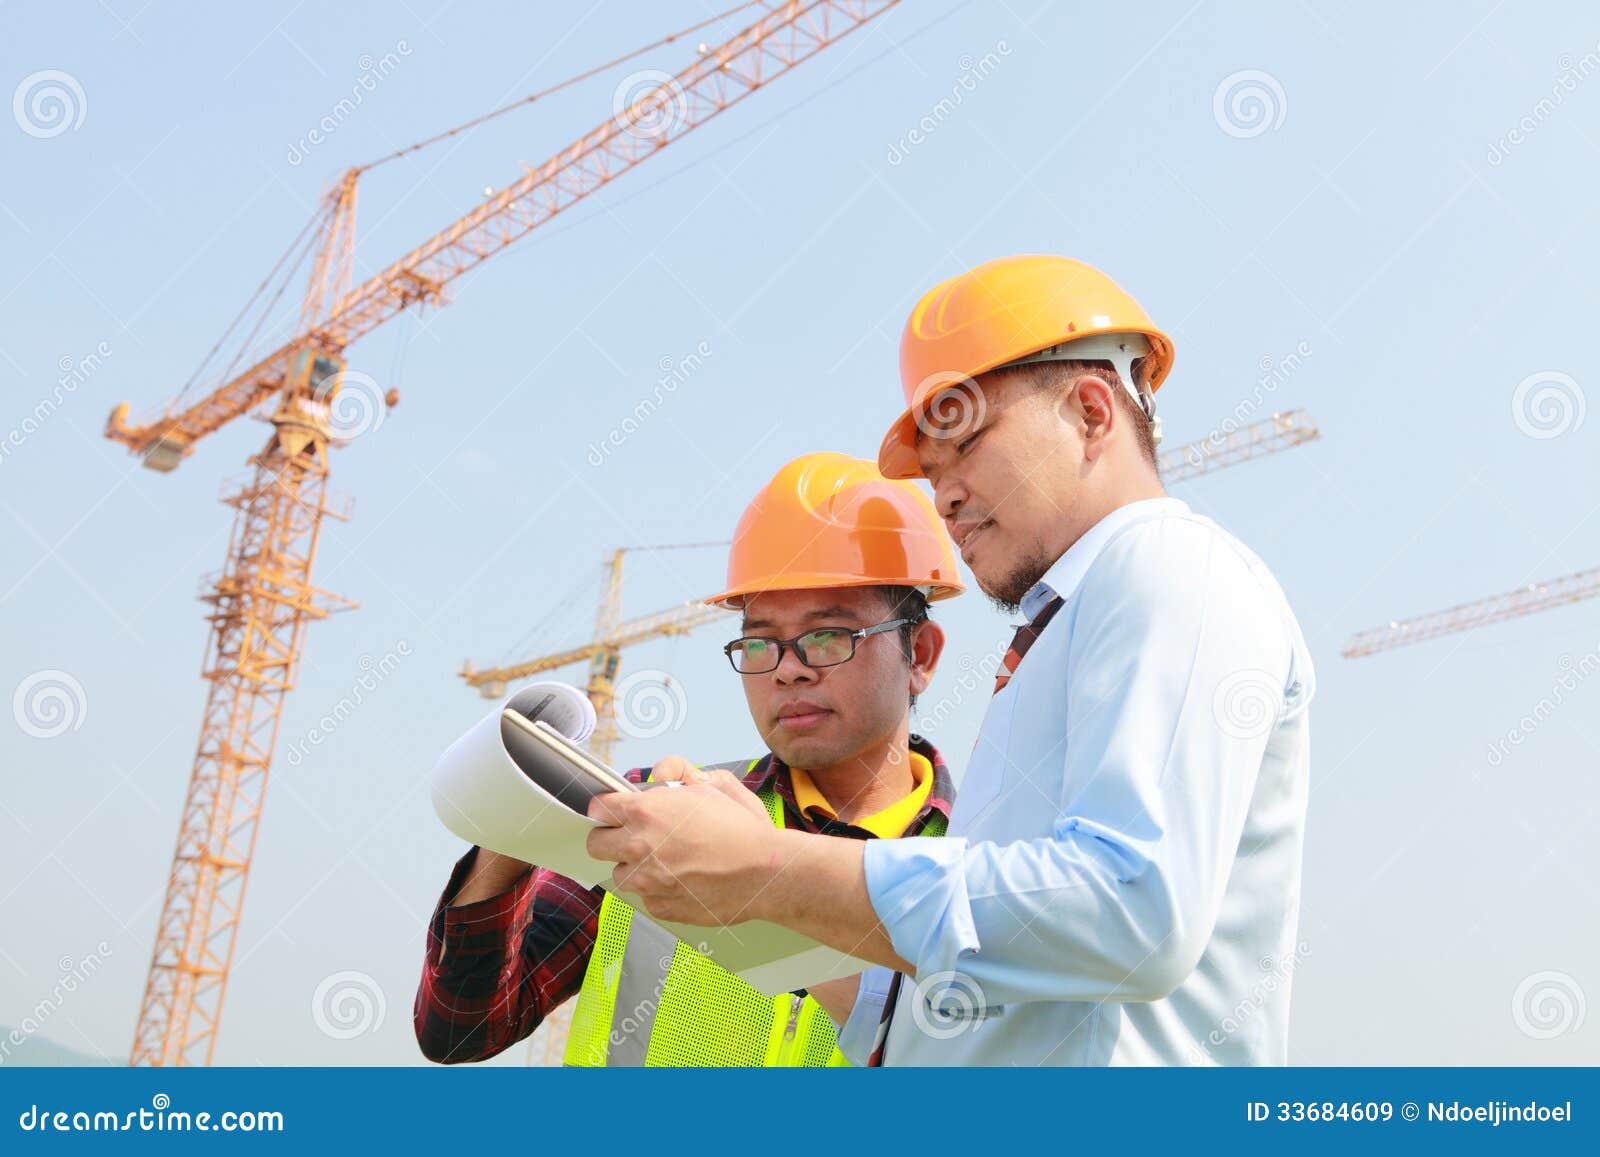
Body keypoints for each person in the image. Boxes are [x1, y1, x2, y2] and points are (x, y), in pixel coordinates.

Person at [586, 255, 1316, 1066]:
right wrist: (750, 888)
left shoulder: (1171, 568)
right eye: (933, 474)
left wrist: (773, 861)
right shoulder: (1062, 633)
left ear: (1090, 411)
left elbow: (1131, 908)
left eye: (965, 444)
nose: (946, 497)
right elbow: (984, 992)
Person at [414, 451, 963, 1065]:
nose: (786, 669)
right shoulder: (654, 818)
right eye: (758, 643)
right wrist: (515, 827)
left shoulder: (981, 865)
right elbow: (461, 1030)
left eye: (827, 636)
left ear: (920, 656)